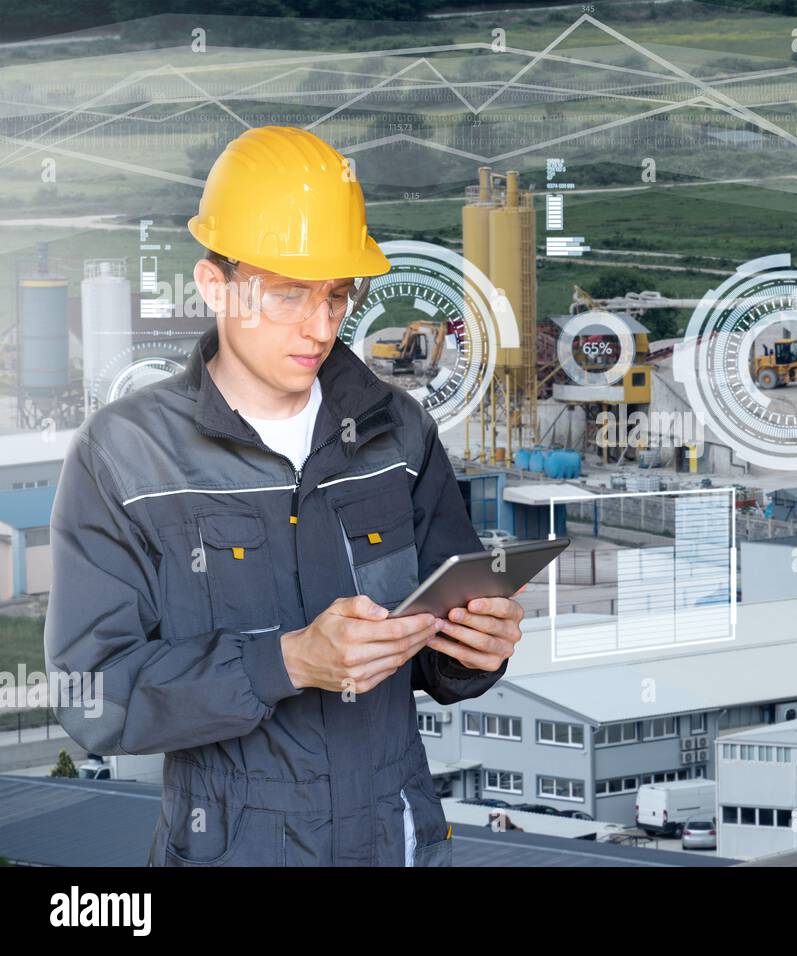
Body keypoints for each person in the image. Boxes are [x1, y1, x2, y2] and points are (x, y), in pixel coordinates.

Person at [44, 125, 523, 867]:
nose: (321, 324)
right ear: (214, 285)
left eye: (337, 295)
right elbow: (91, 697)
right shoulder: (126, 455)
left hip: (394, 842)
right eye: (289, 293)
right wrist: (287, 663)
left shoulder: (398, 432)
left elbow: (438, 646)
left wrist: (475, 652)